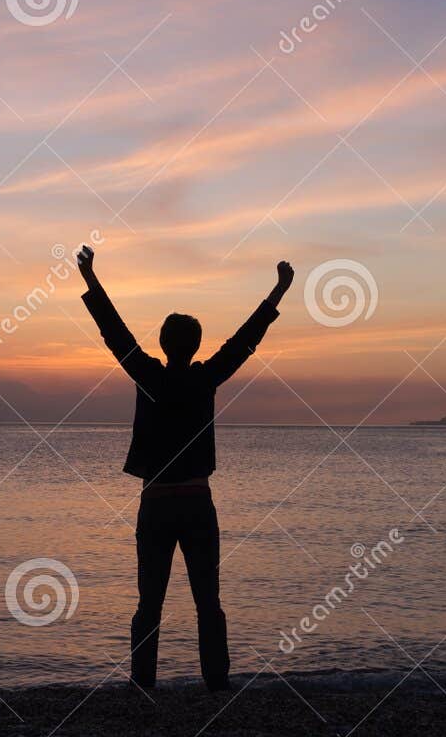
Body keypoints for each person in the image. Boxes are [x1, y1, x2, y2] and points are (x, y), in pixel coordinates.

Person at [77, 245, 293, 690]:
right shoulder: (203, 378)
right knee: (207, 602)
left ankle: (143, 684)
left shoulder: (150, 375)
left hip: (156, 504)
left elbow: (115, 334)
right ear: (193, 346)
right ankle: (216, 684)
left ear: (163, 343)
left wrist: (92, 281)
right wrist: (277, 292)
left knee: (149, 603)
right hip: (196, 503)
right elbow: (243, 343)